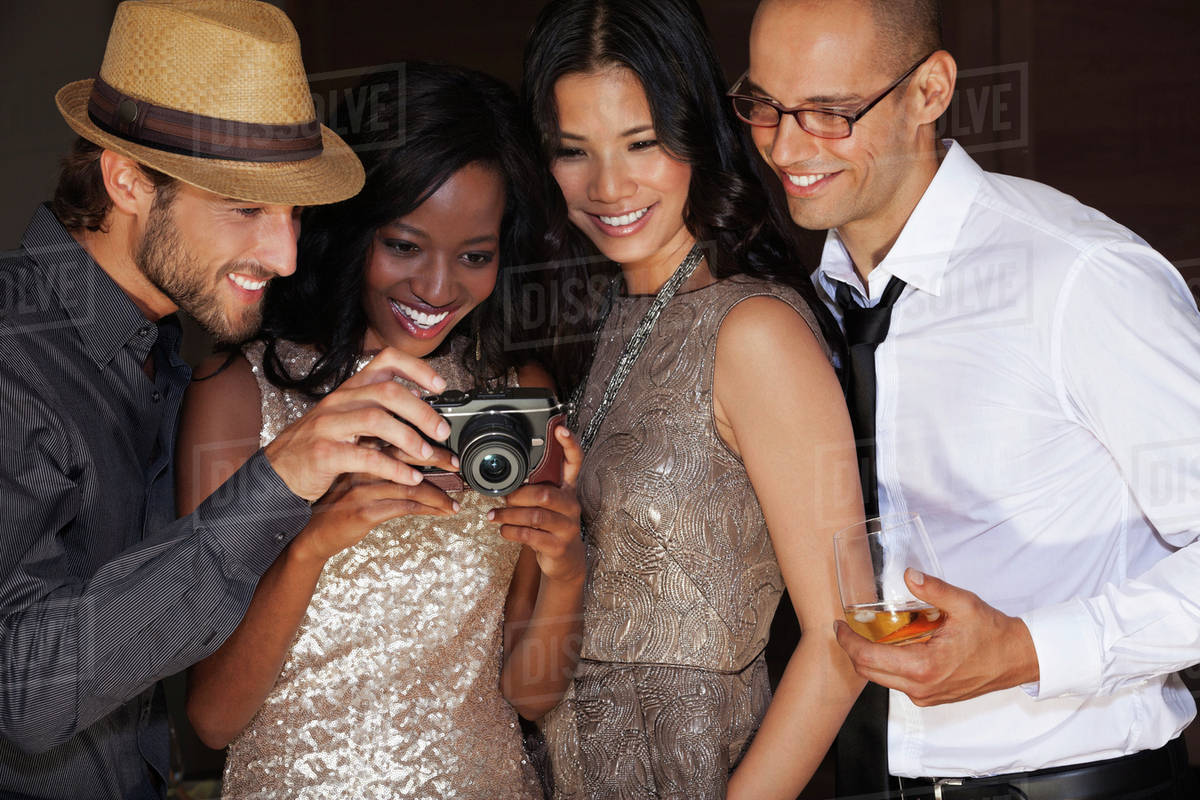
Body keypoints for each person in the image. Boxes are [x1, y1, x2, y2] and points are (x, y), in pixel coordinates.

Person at [0, 3, 473, 798]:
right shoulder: (14, 349)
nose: (285, 254)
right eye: (245, 208)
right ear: (126, 179)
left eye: (292, 212)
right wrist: (277, 480)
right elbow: (21, 691)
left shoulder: (156, 354)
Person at [736, 0, 1200, 797]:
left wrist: (1027, 649)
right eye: (763, 106)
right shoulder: (798, 310)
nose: (785, 145)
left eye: (831, 112)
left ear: (930, 90)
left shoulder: (1077, 279)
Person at [175, 62, 586, 799]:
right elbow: (211, 718)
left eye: (475, 256)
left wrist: (566, 568)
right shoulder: (239, 394)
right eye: (403, 245)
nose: (436, 288)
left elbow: (530, 696)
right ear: (352, 229)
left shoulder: (515, 398)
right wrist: (311, 544)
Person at [521, 1, 865, 797]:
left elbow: (841, 639)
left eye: (642, 143)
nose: (609, 186)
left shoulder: (752, 331)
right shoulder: (600, 322)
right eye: (574, 152)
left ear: (696, 134)